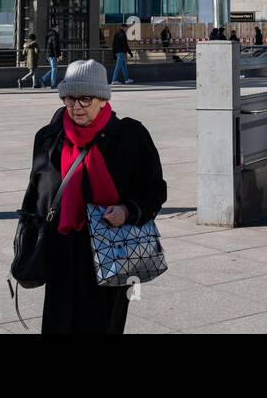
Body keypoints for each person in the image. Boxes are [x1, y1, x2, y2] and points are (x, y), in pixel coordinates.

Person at [20, 59, 167, 334]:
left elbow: (155, 190)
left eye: (85, 99)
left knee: (102, 326)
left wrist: (128, 210)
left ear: (102, 98)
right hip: (61, 251)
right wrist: (29, 243)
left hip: (111, 251)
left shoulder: (130, 136)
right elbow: (34, 194)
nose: (76, 106)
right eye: (69, 98)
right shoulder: (49, 138)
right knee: (58, 324)